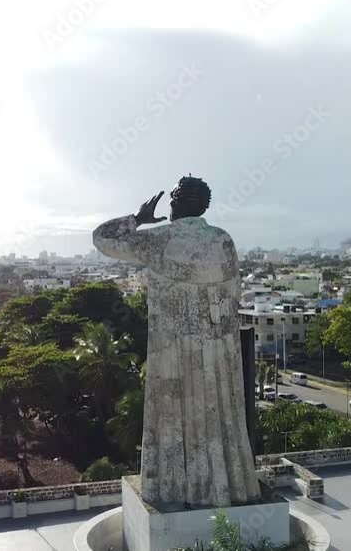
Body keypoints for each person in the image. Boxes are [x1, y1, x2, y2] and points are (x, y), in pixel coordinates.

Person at [92, 175, 260, 508]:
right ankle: (226, 488)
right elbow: (232, 296)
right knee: (220, 419)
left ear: (178, 204)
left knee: (172, 419)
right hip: (218, 354)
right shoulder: (223, 240)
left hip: (172, 354)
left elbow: (102, 238)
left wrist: (138, 219)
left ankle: (174, 489)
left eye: (172, 200)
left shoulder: (159, 240)